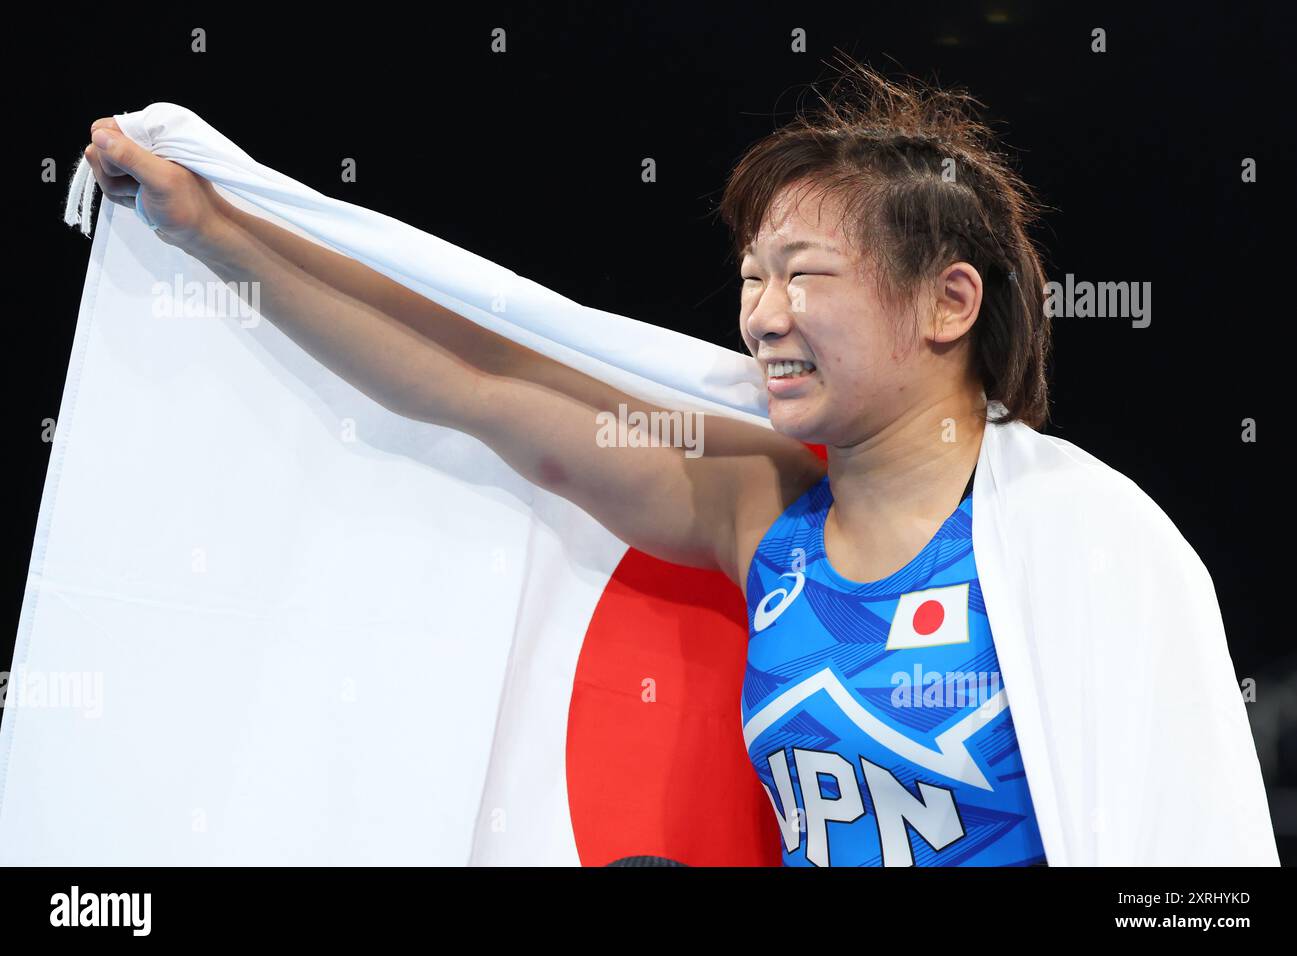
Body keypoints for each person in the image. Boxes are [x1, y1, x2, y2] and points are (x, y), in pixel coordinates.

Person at [74, 60, 1136, 866]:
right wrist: (211, 226)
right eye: (750, 276)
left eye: (802, 274)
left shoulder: (1076, 540)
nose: (761, 316)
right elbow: (474, 380)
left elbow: (1189, 852)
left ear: (949, 301)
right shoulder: (765, 522)